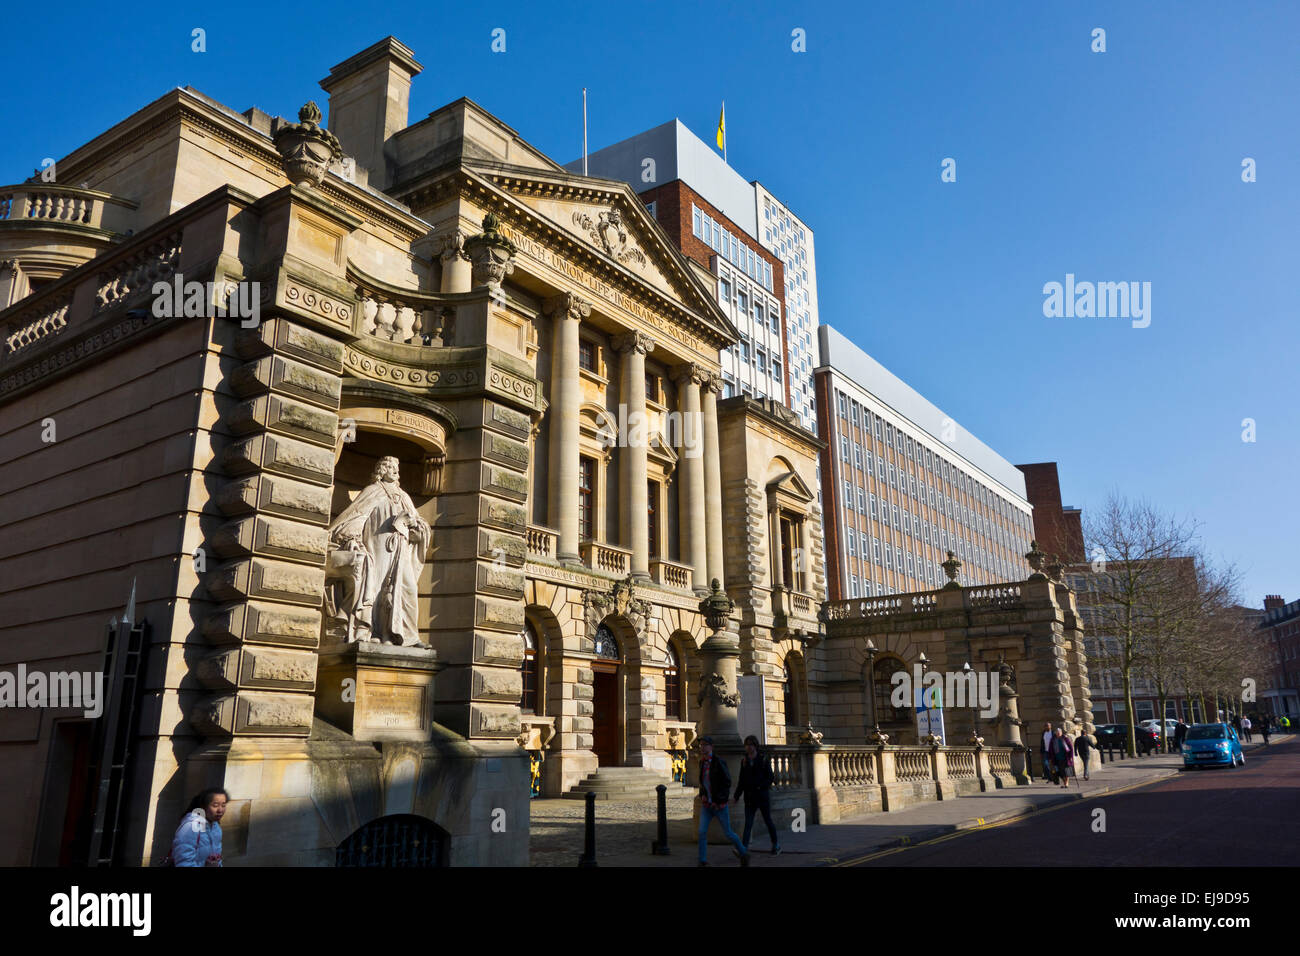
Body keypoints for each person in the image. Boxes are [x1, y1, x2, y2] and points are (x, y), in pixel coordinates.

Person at [696, 737, 749, 867]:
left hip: (719, 805)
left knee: (728, 833)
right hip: (707, 805)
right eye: (701, 745)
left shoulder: (719, 762)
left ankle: (743, 853)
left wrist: (718, 800)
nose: (703, 747)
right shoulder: (702, 762)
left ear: (711, 747)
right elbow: (703, 783)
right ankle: (702, 861)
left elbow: (726, 783)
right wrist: (702, 794)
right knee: (702, 832)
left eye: (705, 745)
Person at [733, 735, 781, 855]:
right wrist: (736, 796)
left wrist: (760, 786)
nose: (748, 747)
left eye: (751, 744)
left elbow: (770, 777)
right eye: (747, 745)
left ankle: (776, 845)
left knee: (768, 821)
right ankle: (743, 849)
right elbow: (741, 780)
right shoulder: (744, 761)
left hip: (762, 797)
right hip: (749, 798)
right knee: (748, 824)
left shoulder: (763, 759)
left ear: (755, 746)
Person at [168, 788, 227, 867]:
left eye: (223, 805)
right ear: (203, 807)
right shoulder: (191, 827)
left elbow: (217, 858)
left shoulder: (216, 827)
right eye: (215, 805)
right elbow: (183, 863)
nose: (220, 810)